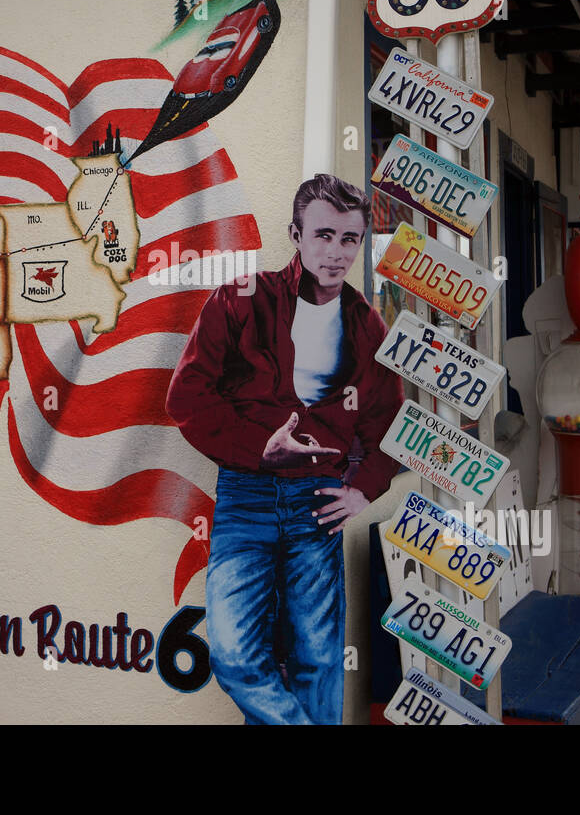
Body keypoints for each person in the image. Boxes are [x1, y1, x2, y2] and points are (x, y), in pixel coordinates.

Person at [165, 173, 404, 724]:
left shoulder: (366, 323)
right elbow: (187, 398)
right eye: (323, 235)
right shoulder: (240, 302)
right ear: (295, 234)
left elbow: (390, 424)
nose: (337, 252)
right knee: (232, 654)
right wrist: (258, 449)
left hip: (318, 502)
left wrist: (362, 490)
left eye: (350, 239)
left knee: (317, 661)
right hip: (245, 499)